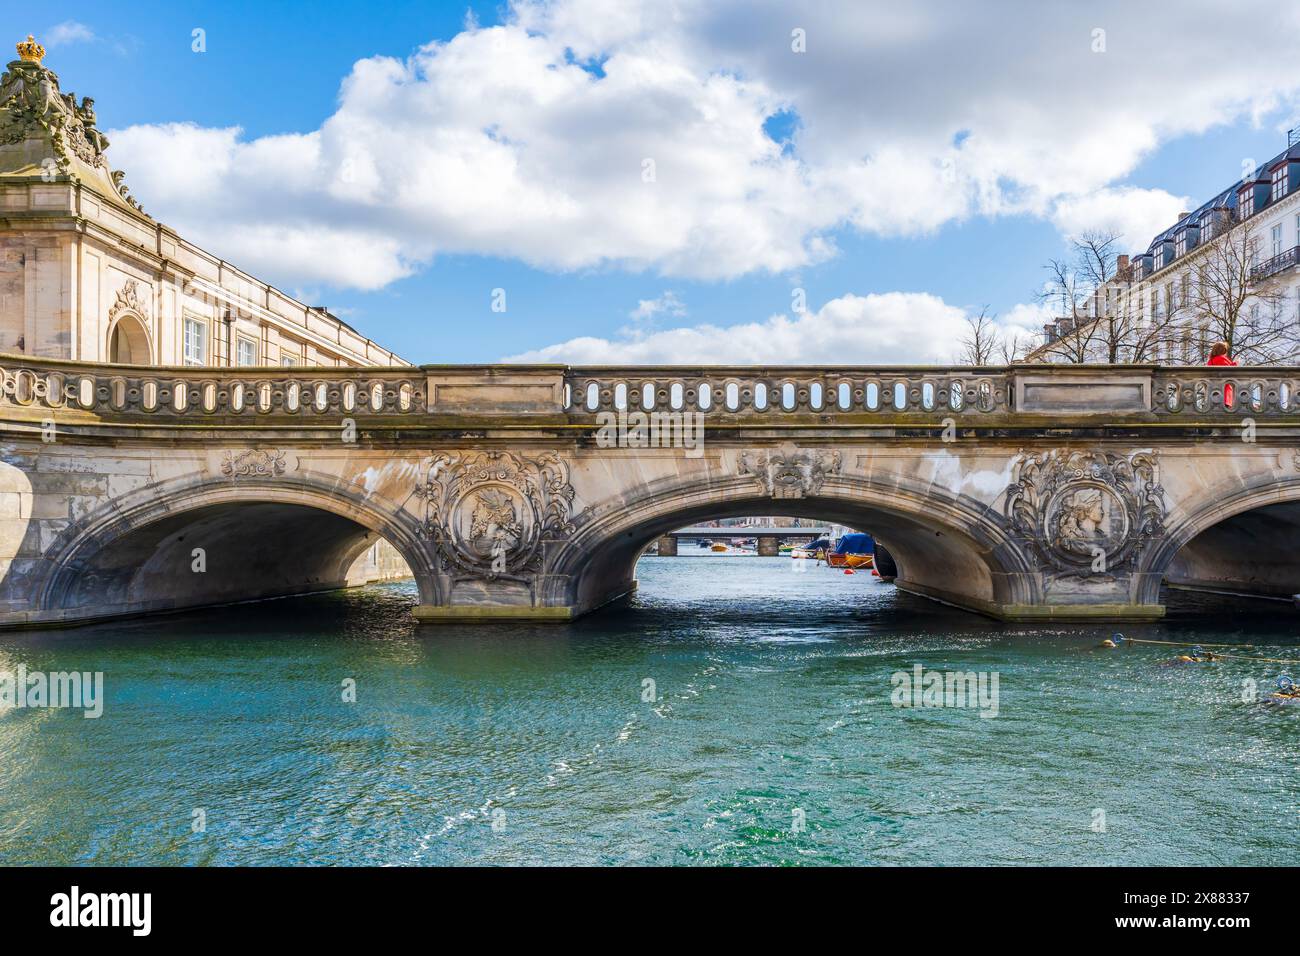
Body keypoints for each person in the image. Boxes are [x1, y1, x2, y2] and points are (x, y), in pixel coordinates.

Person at [1207, 341, 1237, 408]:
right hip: (1224, 391)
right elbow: (1229, 371)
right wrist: (1235, 363)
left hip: (1214, 389)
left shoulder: (1211, 360)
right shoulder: (1221, 359)